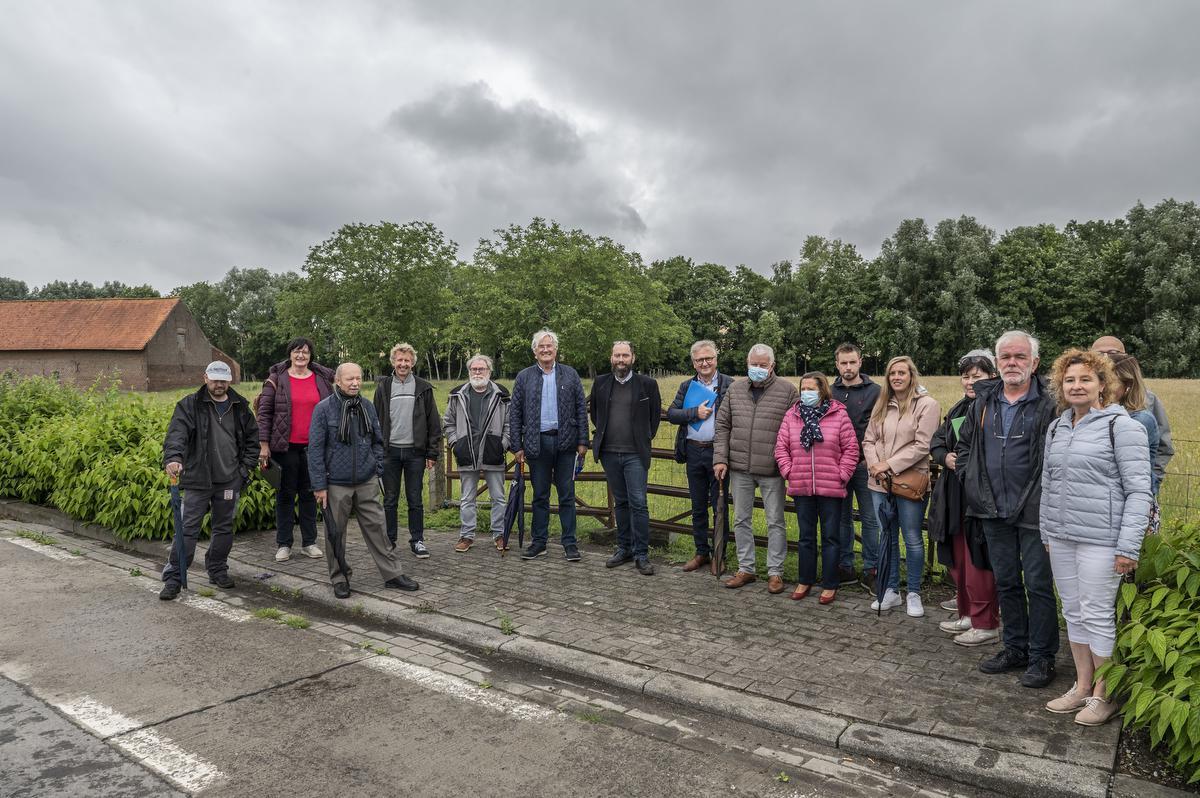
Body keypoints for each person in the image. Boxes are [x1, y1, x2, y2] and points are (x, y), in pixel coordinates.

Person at [1041, 349, 1151, 725]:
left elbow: (1140, 491)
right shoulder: (1057, 427)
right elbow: (1048, 484)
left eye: (1085, 379)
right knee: (1072, 611)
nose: (1076, 385)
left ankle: (1105, 695)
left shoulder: (1121, 427)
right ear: (1061, 385)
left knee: (1098, 614)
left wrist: (1127, 545)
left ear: (1103, 384)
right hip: (1062, 538)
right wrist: (1047, 531)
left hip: (1102, 541)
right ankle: (1082, 685)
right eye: (1069, 380)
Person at [955, 330, 1060, 689]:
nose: (1012, 363)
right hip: (992, 509)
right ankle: (1014, 648)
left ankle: (1043, 657)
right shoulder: (983, 403)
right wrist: (972, 481)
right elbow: (965, 447)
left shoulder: (1050, 404)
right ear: (997, 363)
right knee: (1007, 583)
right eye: (1005, 357)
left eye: (1019, 356)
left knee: (1038, 584)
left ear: (1034, 362)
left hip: (1034, 510)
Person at [309, 363, 418, 598]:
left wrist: (376, 467)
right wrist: (319, 485)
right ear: (338, 381)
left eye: (358, 378)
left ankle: (392, 574)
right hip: (335, 483)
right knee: (335, 533)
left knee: (378, 528)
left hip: (366, 480)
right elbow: (315, 450)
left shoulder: (367, 406)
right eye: (349, 379)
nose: (355, 383)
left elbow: (378, 441)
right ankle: (339, 577)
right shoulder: (323, 409)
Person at [159, 361, 259, 600]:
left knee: (223, 528)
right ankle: (174, 576)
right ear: (205, 378)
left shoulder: (240, 407)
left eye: (223, 380)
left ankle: (216, 569)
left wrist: (243, 472)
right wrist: (173, 457)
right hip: (197, 480)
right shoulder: (189, 405)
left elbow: (253, 442)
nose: (219, 385)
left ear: (230, 381)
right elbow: (177, 434)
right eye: (214, 380)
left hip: (229, 480)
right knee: (187, 528)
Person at [929, 350, 1000, 646]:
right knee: (958, 558)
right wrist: (945, 458)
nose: (970, 381)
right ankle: (968, 614)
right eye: (966, 376)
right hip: (954, 494)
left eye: (977, 376)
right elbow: (937, 441)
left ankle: (987, 622)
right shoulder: (960, 407)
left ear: (992, 377)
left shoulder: (995, 407)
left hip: (980, 497)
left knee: (978, 562)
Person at [713, 344, 798, 593]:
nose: (758, 369)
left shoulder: (787, 391)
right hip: (739, 467)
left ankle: (775, 572)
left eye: (763, 365)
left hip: (772, 469)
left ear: (772, 365)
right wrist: (721, 458)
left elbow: (795, 429)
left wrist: (788, 465)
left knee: (775, 521)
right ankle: (746, 568)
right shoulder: (735, 389)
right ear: (747, 364)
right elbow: (722, 425)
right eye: (754, 364)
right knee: (741, 519)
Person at [862, 356, 940, 617]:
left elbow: (922, 445)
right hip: (880, 483)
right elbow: (869, 439)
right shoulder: (882, 403)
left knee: (913, 538)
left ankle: (914, 592)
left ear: (911, 376)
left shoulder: (927, 405)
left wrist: (889, 465)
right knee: (888, 536)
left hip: (909, 482)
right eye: (892, 373)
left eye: (902, 373)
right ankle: (892, 589)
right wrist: (875, 465)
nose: (896, 377)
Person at [774, 371, 858, 604]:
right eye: (803, 388)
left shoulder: (838, 415)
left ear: (822, 391)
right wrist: (789, 471)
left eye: (811, 389)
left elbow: (851, 449)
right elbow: (781, 447)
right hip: (802, 485)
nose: (806, 393)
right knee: (806, 537)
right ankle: (805, 579)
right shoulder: (792, 416)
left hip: (831, 486)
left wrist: (842, 475)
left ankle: (830, 583)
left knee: (831, 537)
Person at [508, 329, 589, 561]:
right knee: (540, 495)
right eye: (541, 347)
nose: (545, 350)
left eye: (549, 346)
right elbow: (515, 414)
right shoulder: (524, 377)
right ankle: (539, 542)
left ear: (556, 350)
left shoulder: (570, 375)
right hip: (536, 443)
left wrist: (583, 441)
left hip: (566, 443)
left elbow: (581, 409)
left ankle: (569, 543)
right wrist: (517, 446)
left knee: (566, 495)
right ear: (535, 352)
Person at [256, 337, 333, 563]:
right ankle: (284, 544)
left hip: (314, 448)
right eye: (297, 352)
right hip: (285, 447)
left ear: (311, 356)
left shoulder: (321, 380)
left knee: (310, 494)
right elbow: (265, 413)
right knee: (286, 496)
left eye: (306, 352)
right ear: (290, 354)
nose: (301, 356)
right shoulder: (276, 380)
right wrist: (264, 445)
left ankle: (309, 543)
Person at [589, 341, 662, 575]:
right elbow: (595, 415)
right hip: (610, 452)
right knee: (620, 502)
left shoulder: (647, 385)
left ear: (633, 357)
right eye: (617, 355)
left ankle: (641, 553)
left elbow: (654, 419)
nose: (621, 359)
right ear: (611, 358)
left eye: (625, 355)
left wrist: (642, 437)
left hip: (635, 454)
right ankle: (624, 548)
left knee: (638, 503)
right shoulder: (600, 383)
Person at [666, 340, 733, 573]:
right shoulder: (687, 386)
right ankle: (701, 552)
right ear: (693, 362)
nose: (705, 363)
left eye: (709, 358)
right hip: (694, 450)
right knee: (697, 506)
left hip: (719, 452)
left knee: (720, 505)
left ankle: (719, 555)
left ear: (716, 359)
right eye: (699, 360)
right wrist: (695, 412)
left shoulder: (730, 385)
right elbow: (672, 413)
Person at [373, 343, 442, 558]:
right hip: (389, 452)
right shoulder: (383, 387)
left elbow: (434, 423)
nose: (403, 364)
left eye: (407, 360)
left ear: (412, 362)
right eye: (399, 360)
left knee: (415, 499)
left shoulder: (423, 387)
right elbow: (375, 421)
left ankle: (417, 540)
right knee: (390, 499)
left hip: (415, 453)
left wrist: (432, 453)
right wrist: (376, 452)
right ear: (393, 362)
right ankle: (389, 540)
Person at [443, 354, 510, 552]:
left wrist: (502, 444)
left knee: (498, 497)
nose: (478, 372)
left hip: (493, 452)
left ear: (489, 372)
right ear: (469, 371)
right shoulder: (457, 395)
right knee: (467, 498)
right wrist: (457, 443)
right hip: (467, 452)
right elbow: (448, 423)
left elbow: (509, 424)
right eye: (474, 369)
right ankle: (466, 535)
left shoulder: (502, 395)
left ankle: (499, 534)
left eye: (482, 369)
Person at [831, 343, 882, 589]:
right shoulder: (830, 391)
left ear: (860, 362)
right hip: (836, 466)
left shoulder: (876, 391)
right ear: (837, 364)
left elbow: (882, 428)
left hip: (865, 466)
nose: (848, 367)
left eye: (852, 362)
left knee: (870, 518)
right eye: (843, 363)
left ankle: (871, 568)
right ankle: (845, 566)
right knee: (842, 518)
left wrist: (870, 458)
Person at [1090, 335, 1173, 487]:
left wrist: (1152, 480)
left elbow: (1163, 446)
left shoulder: (1148, 400)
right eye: (1099, 354)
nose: (1106, 358)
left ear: (1124, 356)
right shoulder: (1083, 396)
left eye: (1113, 352)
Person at [1108, 354, 1160, 494]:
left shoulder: (1139, 420)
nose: (1103, 387)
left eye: (1111, 381)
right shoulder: (1107, 413)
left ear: (1128, 385)